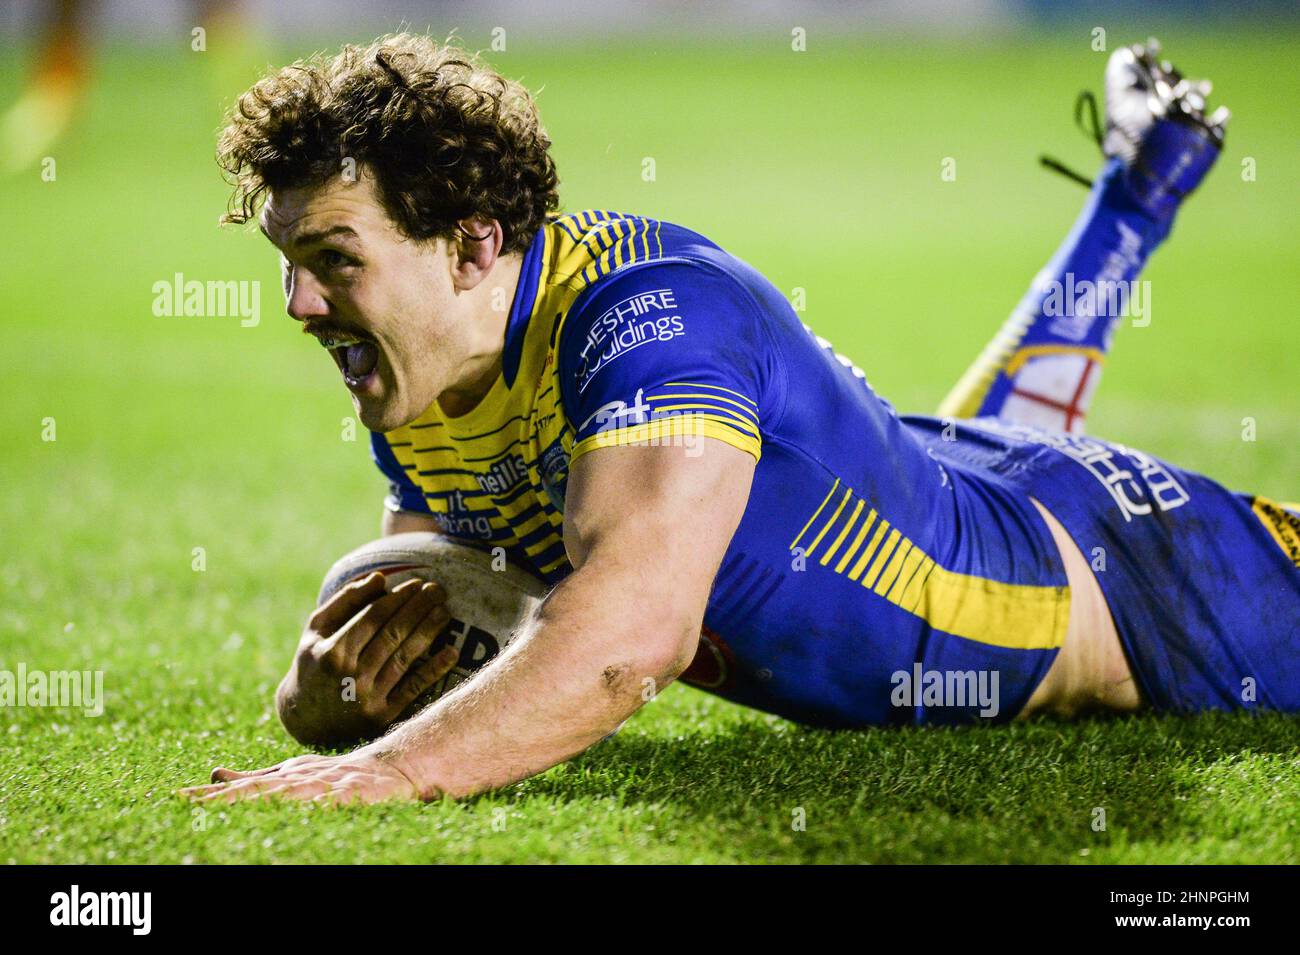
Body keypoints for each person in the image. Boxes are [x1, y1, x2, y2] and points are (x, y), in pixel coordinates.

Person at [182, 35, 1296, 806]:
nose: (300, 306)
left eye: (332, 261)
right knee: (932, 510)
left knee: (974, 550)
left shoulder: (648, 313)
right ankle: (1137, 193)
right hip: (949, 478)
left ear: (473, 243)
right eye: (289, 266)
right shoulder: (422, 374)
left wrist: (383, 773)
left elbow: (628, 642)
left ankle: (1137, 195)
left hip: (1146, 578)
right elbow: (415, 636)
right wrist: (324, 699)